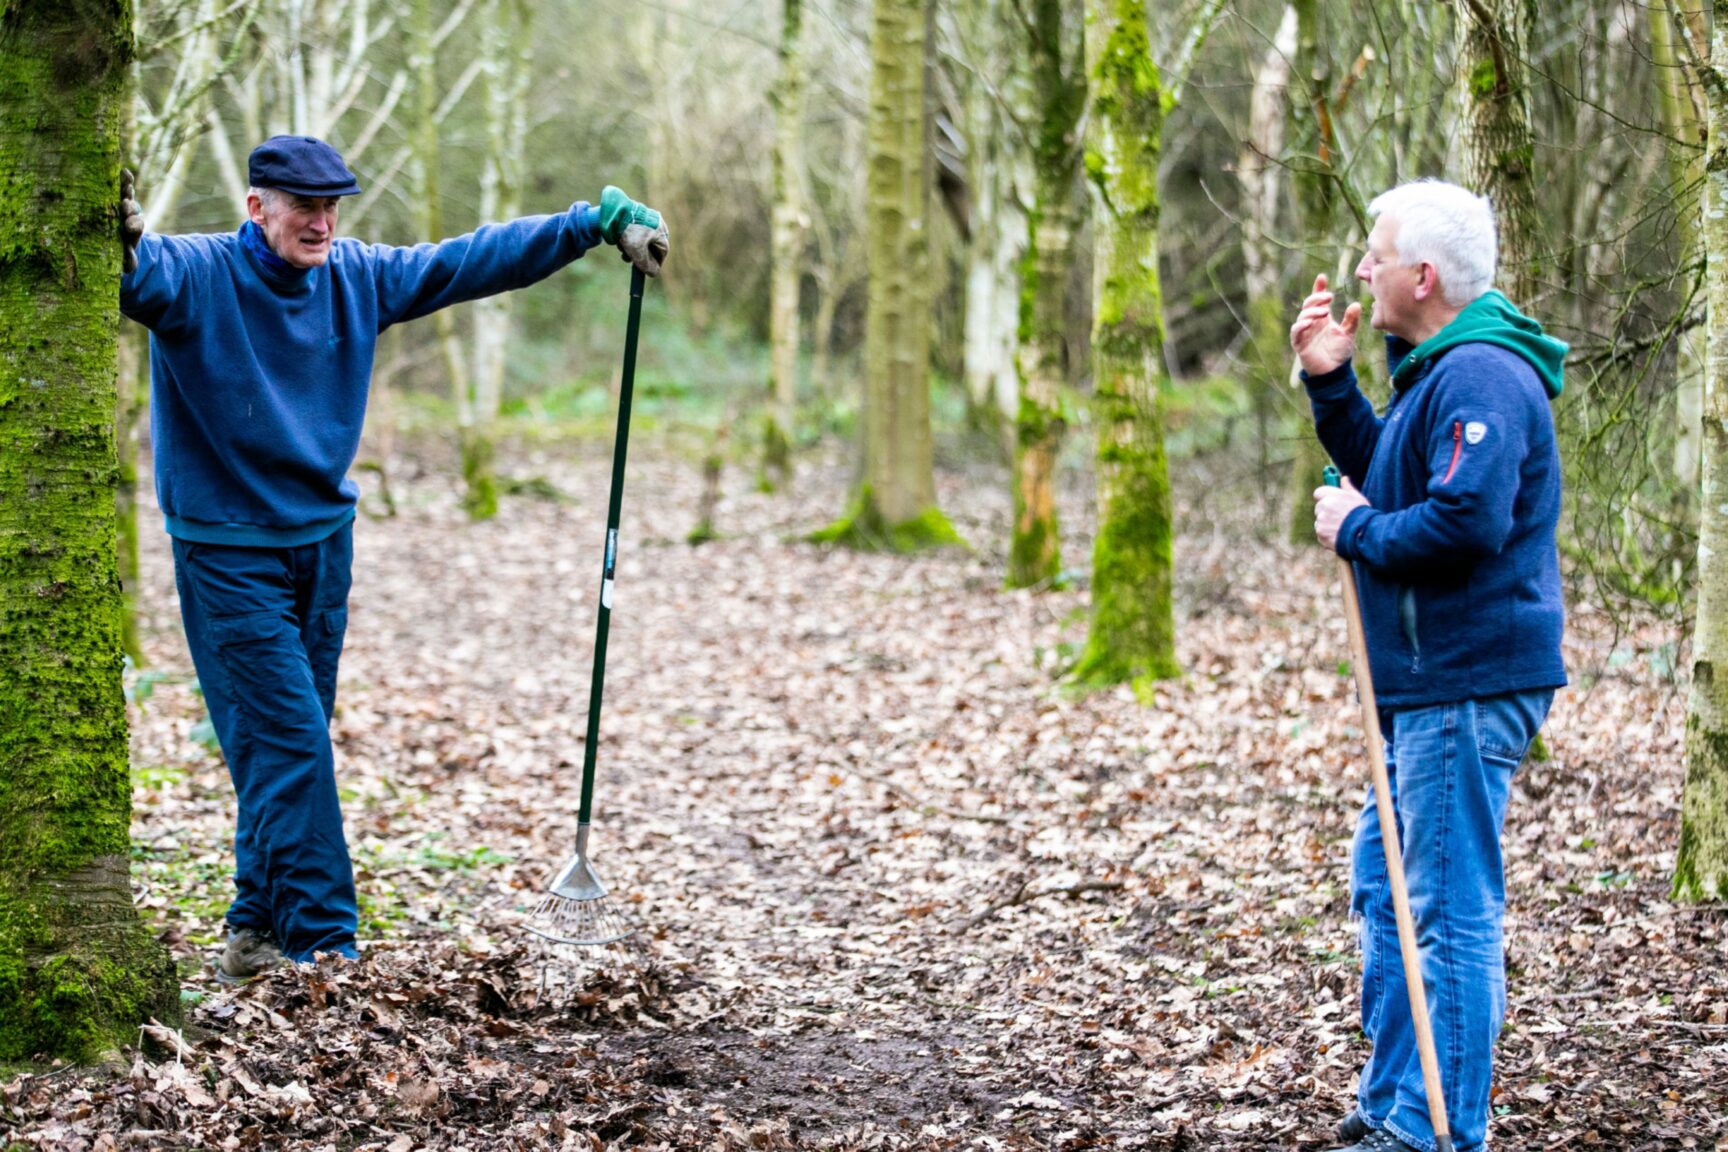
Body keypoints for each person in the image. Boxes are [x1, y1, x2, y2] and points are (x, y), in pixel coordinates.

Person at [118, 135, 670, 983]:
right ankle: (325, 949)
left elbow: (465, 262)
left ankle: (253, 930)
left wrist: (587, 224)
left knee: (285, 748)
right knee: (290, 744)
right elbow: (135, 273)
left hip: (321, 548)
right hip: (228, 555)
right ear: (257, 206)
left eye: (334, 204)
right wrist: (114, 235)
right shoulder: (197, 275)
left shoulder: (354, 276)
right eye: (305, 205)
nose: (324, 221)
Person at [1288, 180, 1567, 1152]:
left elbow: (1466, 520)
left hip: (1465, 678)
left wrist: (1358, 526)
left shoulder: (1484, 373)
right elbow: (1390, 470)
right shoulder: (1434, 373)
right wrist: (1332, 381)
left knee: (1444, 914)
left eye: (1375, 252)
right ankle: (1398, 1108)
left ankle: (1437, 1134)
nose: (1360, 267)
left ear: (1424, 274)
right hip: (1424, 685)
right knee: (1390, 897)